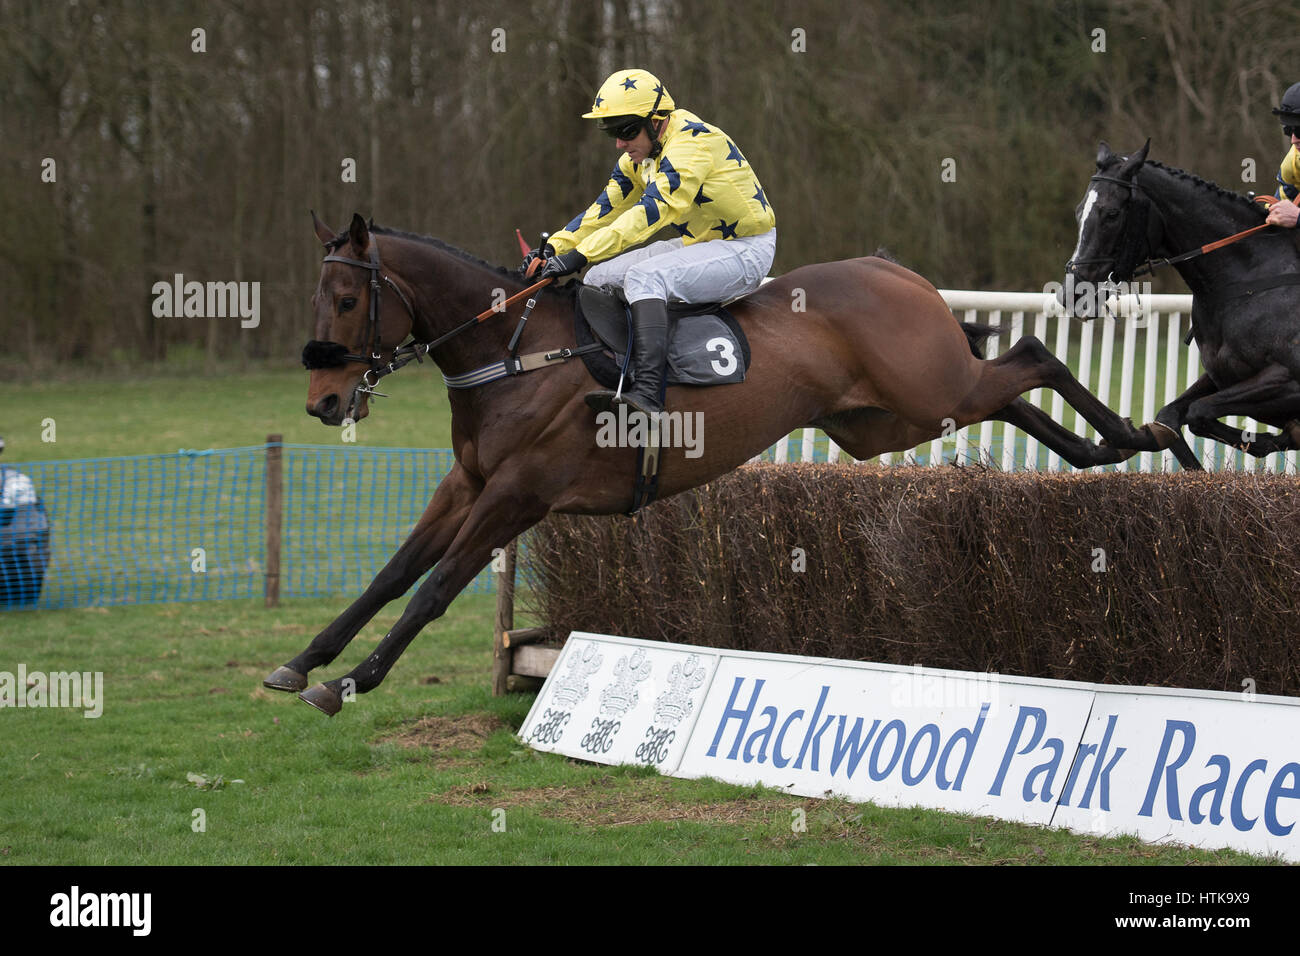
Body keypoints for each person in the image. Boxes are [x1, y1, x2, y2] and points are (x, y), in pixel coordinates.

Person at [525, 68, 777, 418]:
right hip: (700, 243)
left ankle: (649, 394)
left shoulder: (692, 145)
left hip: (747, 250)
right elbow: (604, 208)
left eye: (625, 131)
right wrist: (555, 247)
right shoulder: (639, 157)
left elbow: (650, 214)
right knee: (598, 278)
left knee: (645, 278)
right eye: (612, 132)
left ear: (657, 121)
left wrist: (579, 255)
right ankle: (617, 374)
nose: (619, 143)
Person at [1267, 82, 1300, 229]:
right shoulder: (1292, 163)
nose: (1293, 140)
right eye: (1288, 130)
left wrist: (1298, 218)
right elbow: (1281, 202)